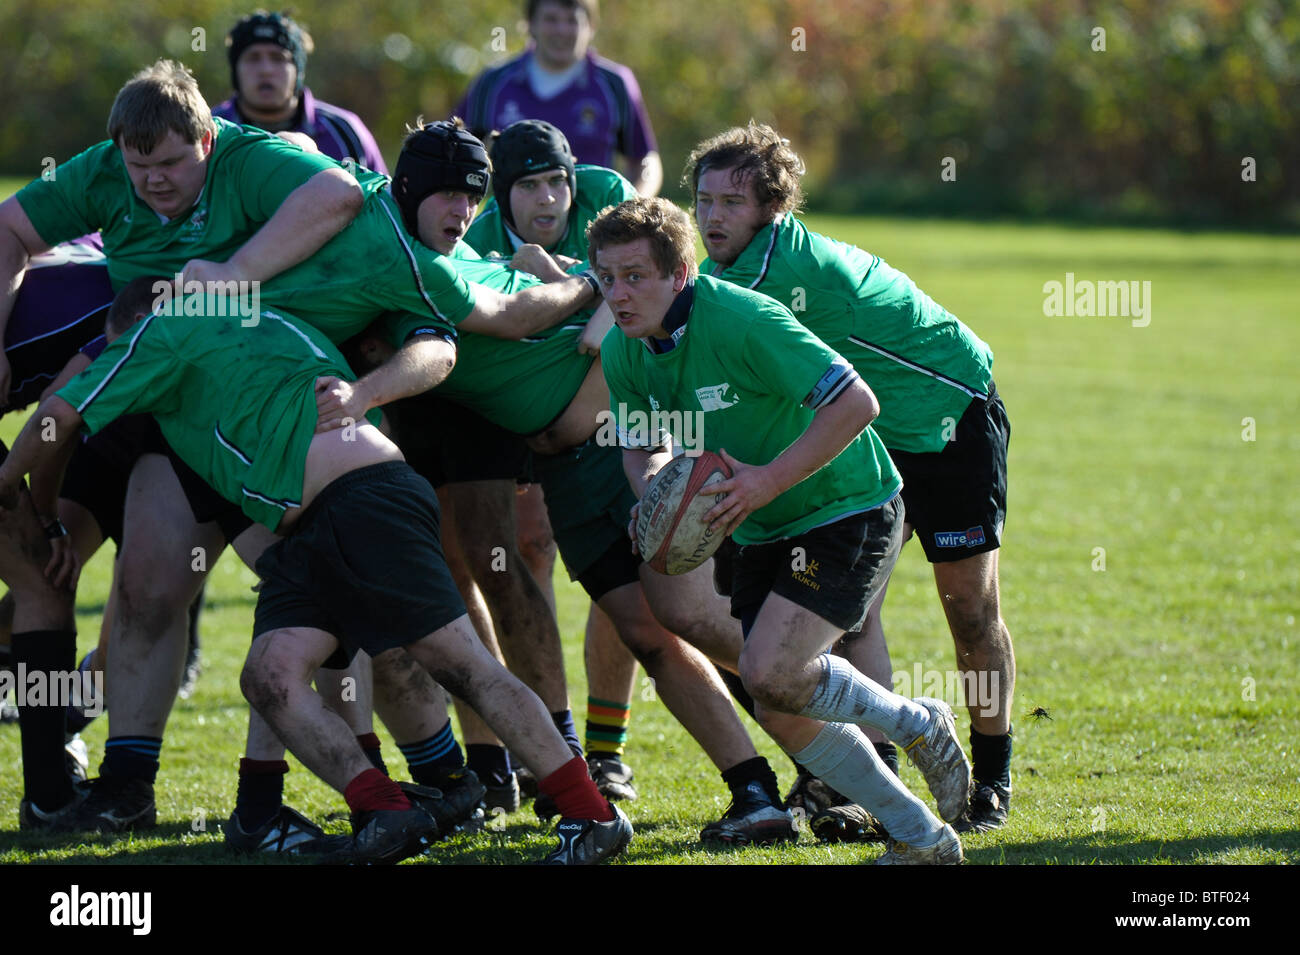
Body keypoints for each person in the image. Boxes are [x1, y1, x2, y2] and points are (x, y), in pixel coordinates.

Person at [0, 277, 632, 865]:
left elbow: (56, 419)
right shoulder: (256, 318)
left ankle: (590, 815)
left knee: (459, 662)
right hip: (322, 518)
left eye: (122, 357)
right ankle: (384, 811)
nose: (127, 379)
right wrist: (54, 515)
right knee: (271, 675)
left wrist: (11, 489)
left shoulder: (159, 335)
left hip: (360, 500)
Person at [346, 147, 799, 846]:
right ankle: (757, 787)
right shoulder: (437, 257)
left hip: (611, 449)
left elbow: (533, 317)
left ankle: (844, 744)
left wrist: (586, 292)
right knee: (652, 634)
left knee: (690, 622)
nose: (460, 212)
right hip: (566, 470)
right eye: (449, 195)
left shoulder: (451, 268)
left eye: (555, 180)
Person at [0, 58, 364, 831]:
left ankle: (430, 772)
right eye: (140, 168)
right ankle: (113, 782)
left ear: (207, 138)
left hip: (256, 406)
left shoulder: (250, 157)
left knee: (326, 586)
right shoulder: (102, 180)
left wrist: (233, 271)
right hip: (150, 410)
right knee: (129, 585)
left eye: (170, 163)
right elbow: (13, 235)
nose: (154, 182)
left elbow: (339, 193)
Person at [593, 196, 972, 863]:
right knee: (779, 702)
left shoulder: (744, 319)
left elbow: (858, 401)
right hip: (760, 525)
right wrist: (653, 490)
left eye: (634, 276)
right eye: (606, 278)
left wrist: (766, 479)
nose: (618, 295)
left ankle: (917, 721)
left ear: (680, 272)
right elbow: (638, 444)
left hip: (845, 504)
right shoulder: (627, 350)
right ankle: (922, 836)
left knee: (772, 668)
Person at [684, 123, 1016, 836]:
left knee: (969, 608)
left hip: (947, 413)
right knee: (848, 609)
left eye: (732, 203)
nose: (713, 217)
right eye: (704, 201)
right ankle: (876, 778)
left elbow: (677, 307)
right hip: (862, 434)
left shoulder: (771, 270)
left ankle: (991, 776)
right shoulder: (731, 270)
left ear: (771, 209)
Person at [464, 118, 641, 799]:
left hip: (612, 404)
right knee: (524, 550)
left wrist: (599, 311)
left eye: (557, 182)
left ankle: (606, 747)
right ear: (501, 194)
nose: (548, 200)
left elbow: (661, 270)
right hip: (521, 412)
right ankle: (547, 744)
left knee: (629, 570)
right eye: (529, 186)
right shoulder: (475, 244)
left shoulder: (607, 195)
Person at [456, 0, 662, 196]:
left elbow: (645, 159)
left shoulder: (614, 83)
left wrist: (635, 203)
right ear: (530, 25)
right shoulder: (493, 82)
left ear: (591, 26)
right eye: (551, 19)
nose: (561, 30)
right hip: (512, 228)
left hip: (594, 225)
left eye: (572, 20)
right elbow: (457, 149)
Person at [213, 11, 388, 173]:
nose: (265, 70)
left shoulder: (344, 131)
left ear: (299, 70)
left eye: (278, 58)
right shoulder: (209, 132)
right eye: (253, 58)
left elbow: (381, 202)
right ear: (235, 70)